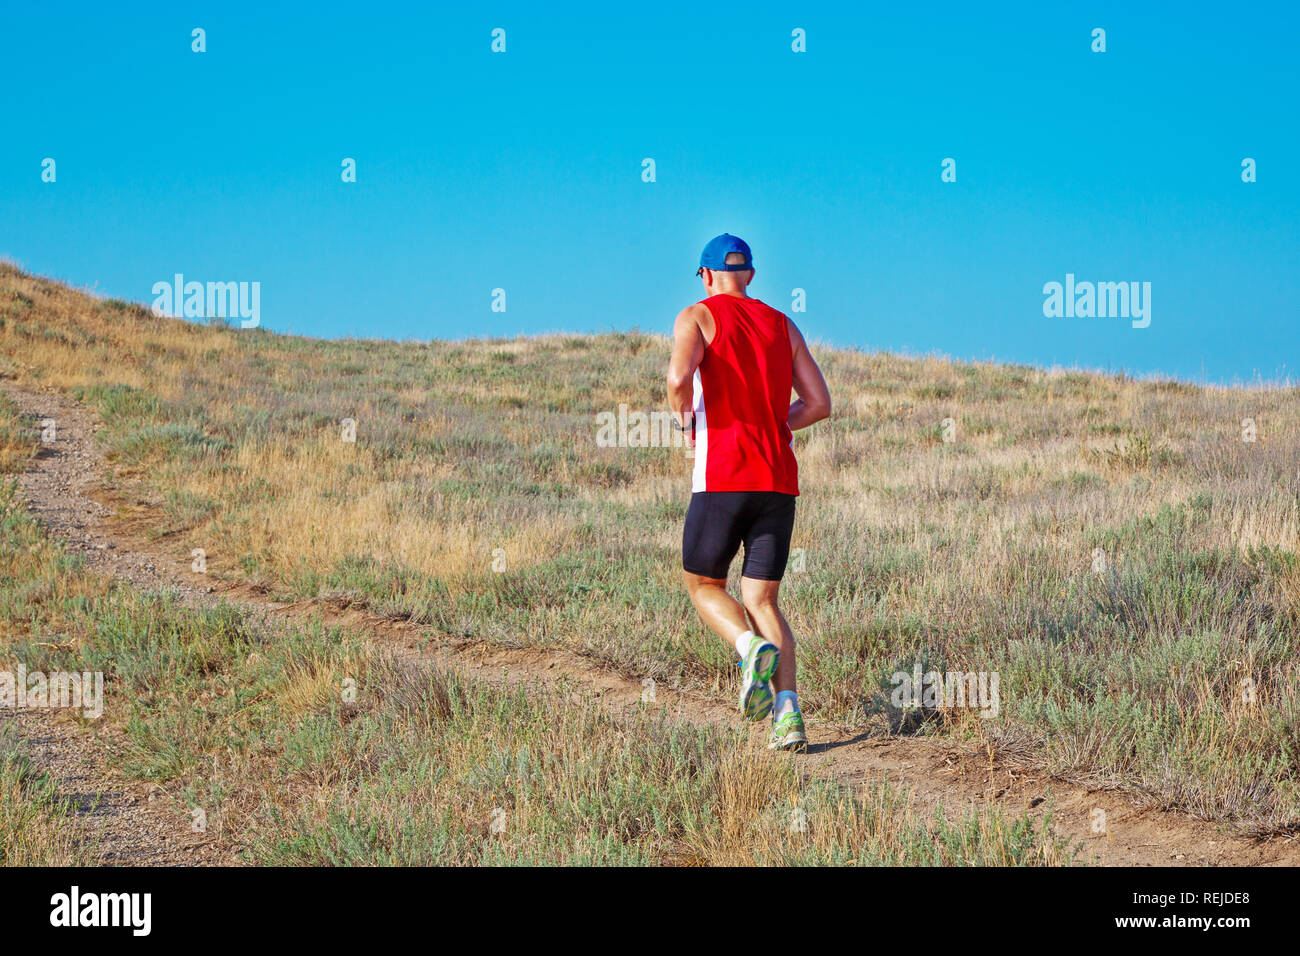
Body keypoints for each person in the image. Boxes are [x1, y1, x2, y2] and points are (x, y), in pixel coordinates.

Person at [666, 233, 832, 751]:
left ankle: (747, 648)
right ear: (751, 276)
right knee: (762, 597)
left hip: (723, 478)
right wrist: (772, 420)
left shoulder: (696, 314)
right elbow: (819, 403)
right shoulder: (784, 324)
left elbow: (677, 377)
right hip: (778, 483)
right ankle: (789, 718)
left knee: (703, 586)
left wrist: (685, 421)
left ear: (706, 275)